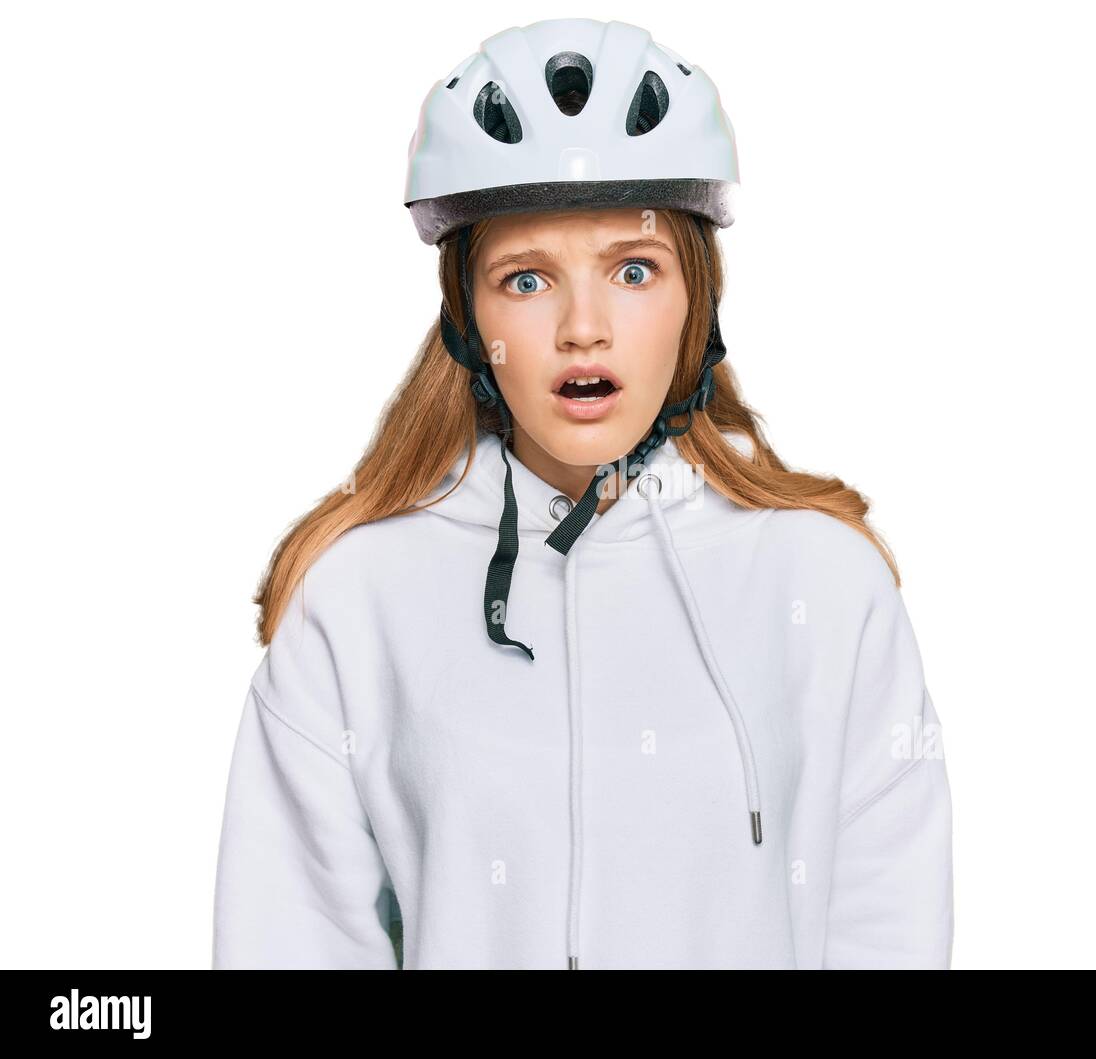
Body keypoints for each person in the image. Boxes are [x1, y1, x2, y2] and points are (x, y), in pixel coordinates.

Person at [211, 16, 954, 970]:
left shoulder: (828, 587)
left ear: (699, 298)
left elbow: (886, 934)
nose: (583, 328)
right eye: (526, 279)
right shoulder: (353, 602)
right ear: (467, 321)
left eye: (633, 269)